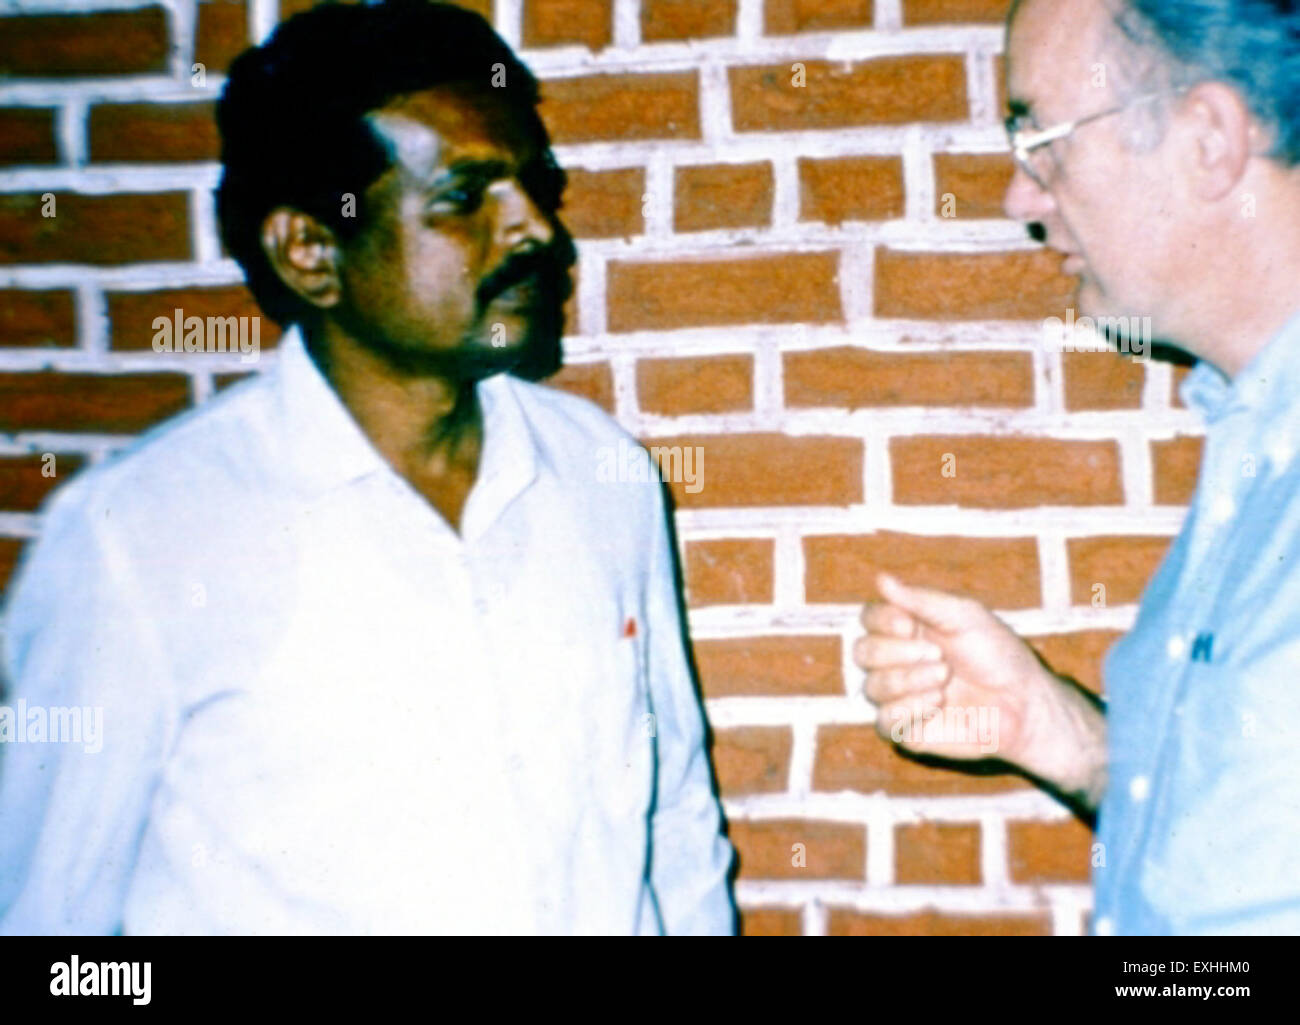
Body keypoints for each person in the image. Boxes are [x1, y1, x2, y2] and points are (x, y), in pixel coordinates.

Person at [0, 0, 734, 935]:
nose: (538, 233)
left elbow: (675, 823)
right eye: (467, 197)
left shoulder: (600, 473)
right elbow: (46, 919)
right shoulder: (139, 538)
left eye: (534, 188)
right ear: (311, 251)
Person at [855, 0, 1300, 935]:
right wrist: (1057, 732)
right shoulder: (1253, 452)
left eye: (1043, 138)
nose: (1022, 197)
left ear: (1209, 140)